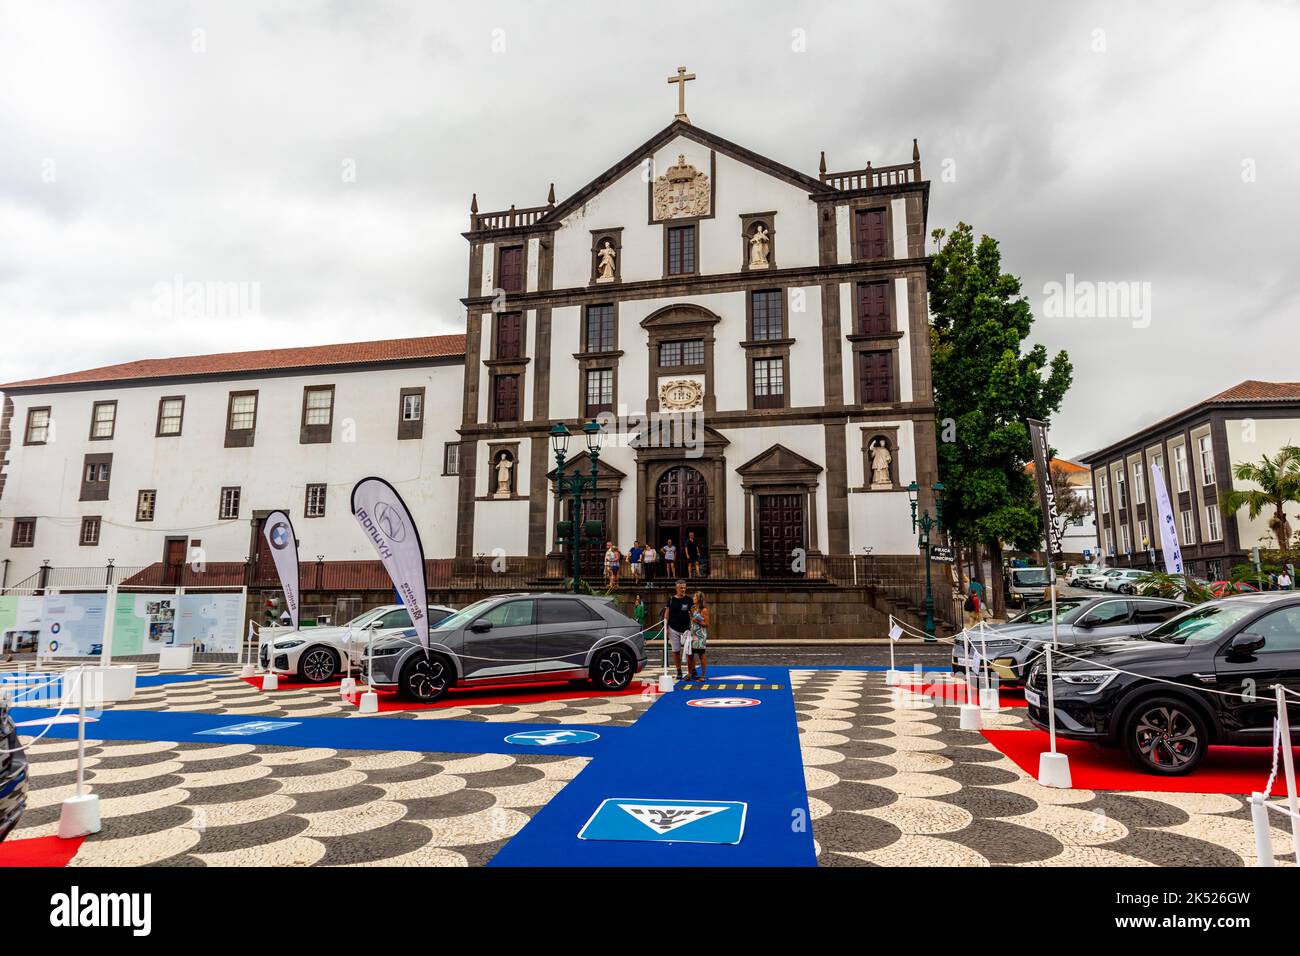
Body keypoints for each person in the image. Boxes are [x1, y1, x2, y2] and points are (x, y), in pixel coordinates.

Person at [662, 579, 694, 681]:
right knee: (676, 651)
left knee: (689, 651)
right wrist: (666, 627)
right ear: (676, 588)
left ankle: (691, 670)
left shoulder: (689, 600)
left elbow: (693, 613)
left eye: (684, 588)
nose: (683, 590)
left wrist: (694, 627)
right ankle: (679, 671)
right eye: (681, 588)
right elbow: (667, 613)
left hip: (686, 630)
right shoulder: (671, 600)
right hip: (673, 629)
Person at [690, 590, 709, 680]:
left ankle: (703, 675)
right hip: (693, 634)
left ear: (699, 599)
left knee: (701, 654)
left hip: (700, 635)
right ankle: (691, 673)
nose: (693, 598)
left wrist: (697, 620)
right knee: (691, 654)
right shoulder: (694, 608)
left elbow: (706, 623)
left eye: (695, 597)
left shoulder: (704, 610)